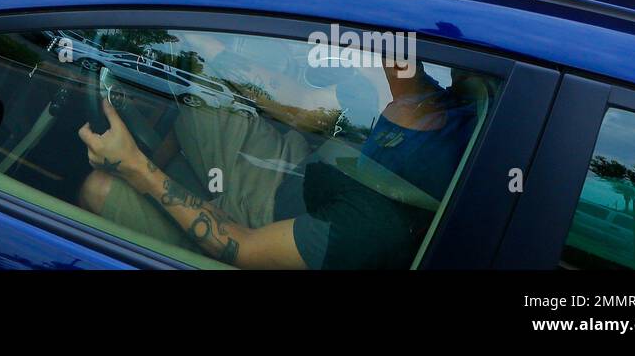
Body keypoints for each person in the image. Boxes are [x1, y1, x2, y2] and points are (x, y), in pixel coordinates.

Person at [77, 58, 479, 269]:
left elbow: (242, 247)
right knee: (199, 87)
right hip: (302, 174)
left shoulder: (365, 234)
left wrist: (134, 165)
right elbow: (403, 66)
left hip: (260, 223)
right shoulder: (459, 116)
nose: (399, 96)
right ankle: (169, 166)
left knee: (97, 188)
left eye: (411, 102)